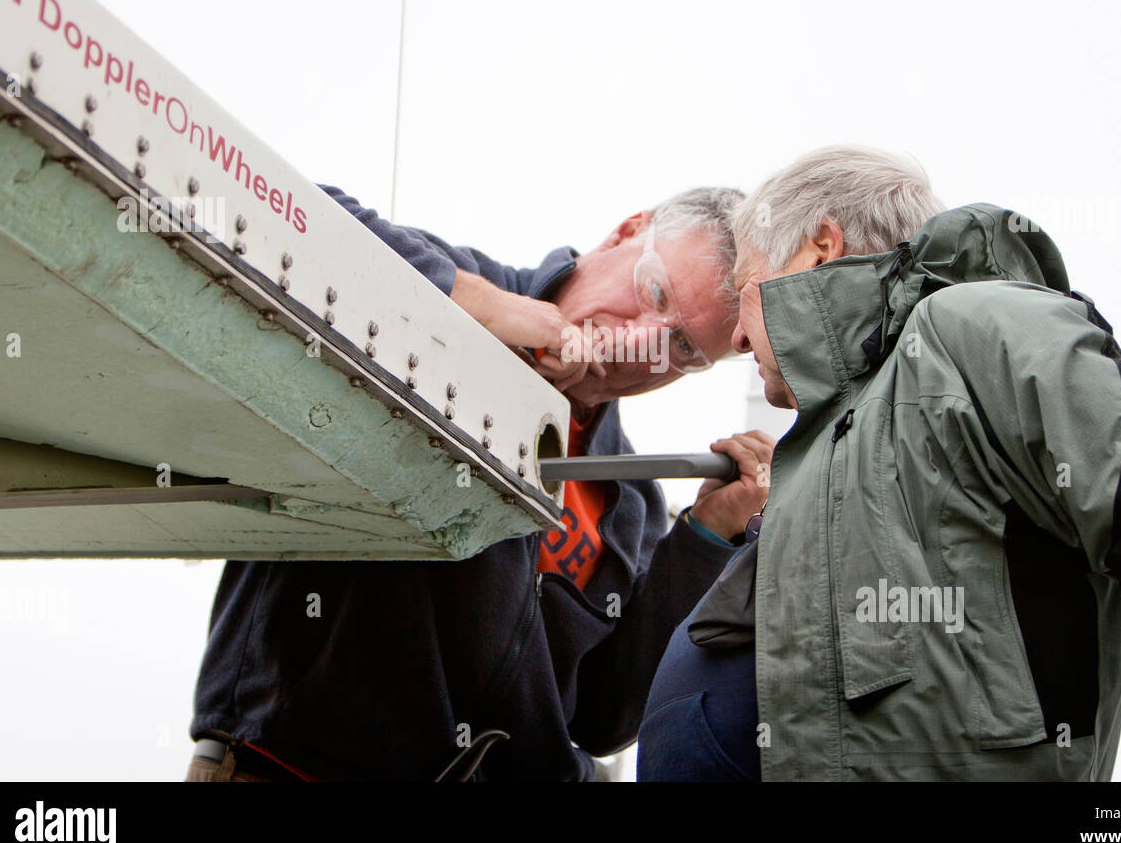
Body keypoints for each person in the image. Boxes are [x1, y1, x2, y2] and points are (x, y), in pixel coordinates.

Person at [639, 144, 1121, 782]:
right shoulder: (842, 430)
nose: (738, 338)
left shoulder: (970, 330)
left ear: (818, 250)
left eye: (744, 286)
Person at [185, 183, 776, 781]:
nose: (636, 344)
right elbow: (287, 211)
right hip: (285, 764)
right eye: (653, 292)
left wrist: (704, 536)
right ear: (626, 231)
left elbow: (602, 719)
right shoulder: (448, 285)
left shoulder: (633, 505)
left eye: (681, 346)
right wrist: (482, 310)